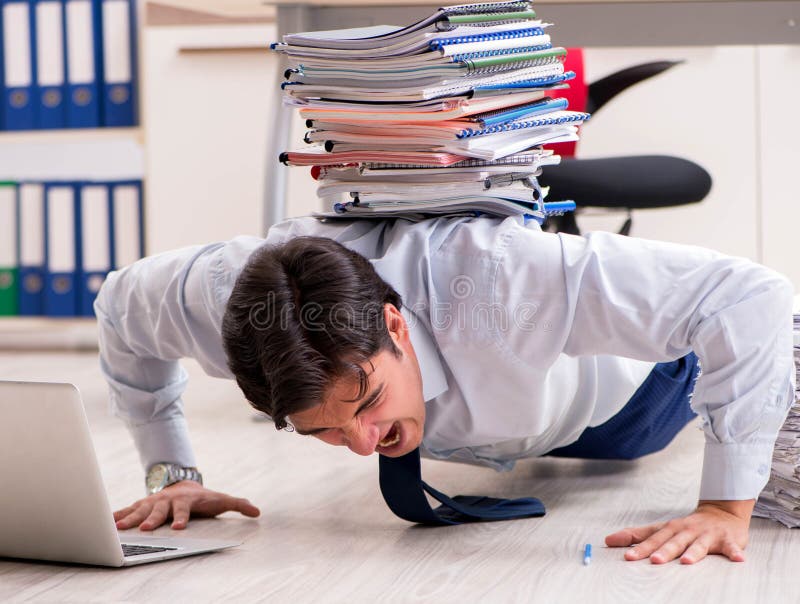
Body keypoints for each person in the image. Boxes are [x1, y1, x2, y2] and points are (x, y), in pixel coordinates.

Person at [98, 215, 795, 565]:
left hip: (636, 403)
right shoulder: (218, 303)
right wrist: (174, 473)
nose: (360, 446)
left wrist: (723, 506)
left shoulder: (506, 279)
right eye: (323, 431)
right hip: (513, 414)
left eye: (366, 403)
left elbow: (748, 297)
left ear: (395, 325)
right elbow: (119, 310)